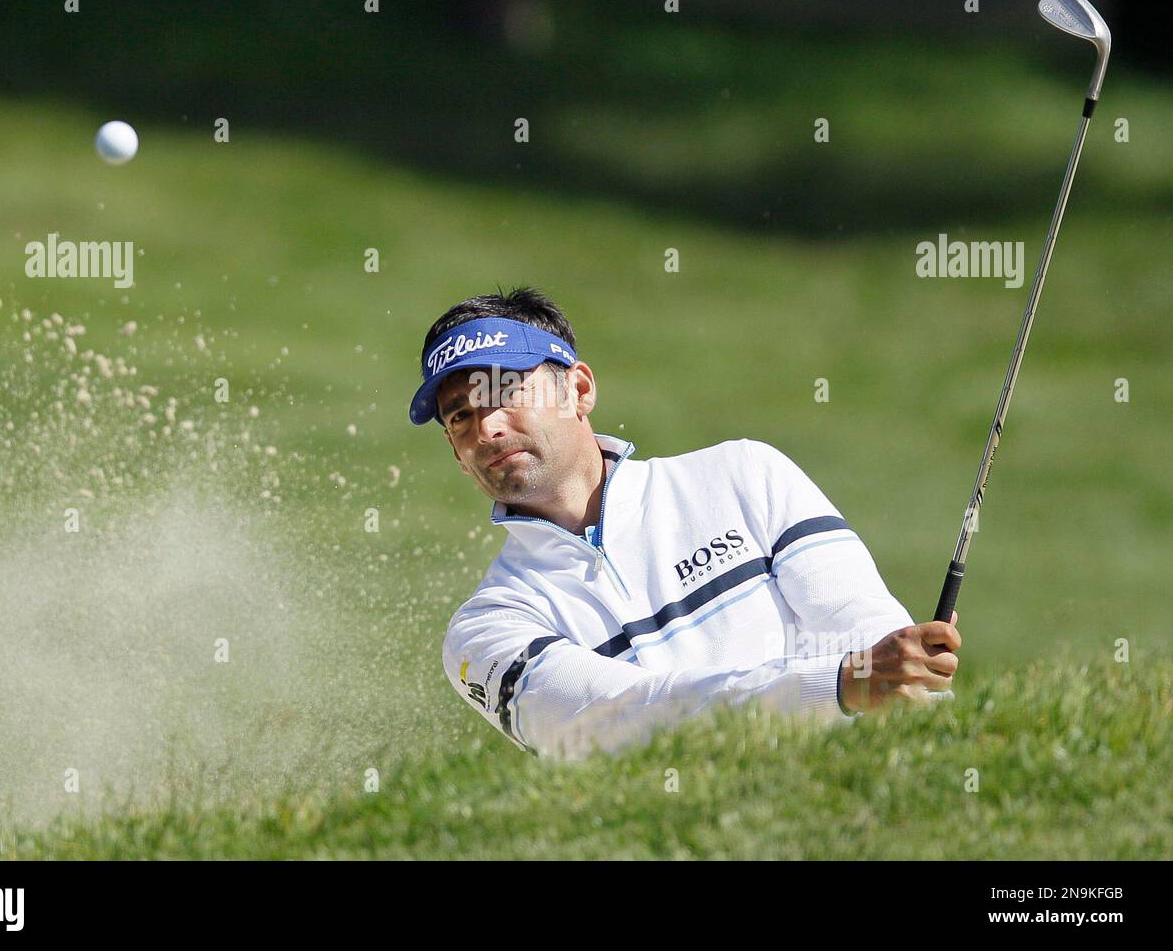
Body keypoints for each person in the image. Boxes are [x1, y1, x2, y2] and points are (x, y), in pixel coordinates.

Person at [409, 286, 960, 760]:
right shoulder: (486, 627)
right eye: (461, 416)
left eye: (505, 391)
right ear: (454, 450)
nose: (488, 428)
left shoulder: (744, 473)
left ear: (578, 390)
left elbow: (866, 629)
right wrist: (834, 686)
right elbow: (608, 723)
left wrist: (888, 671)